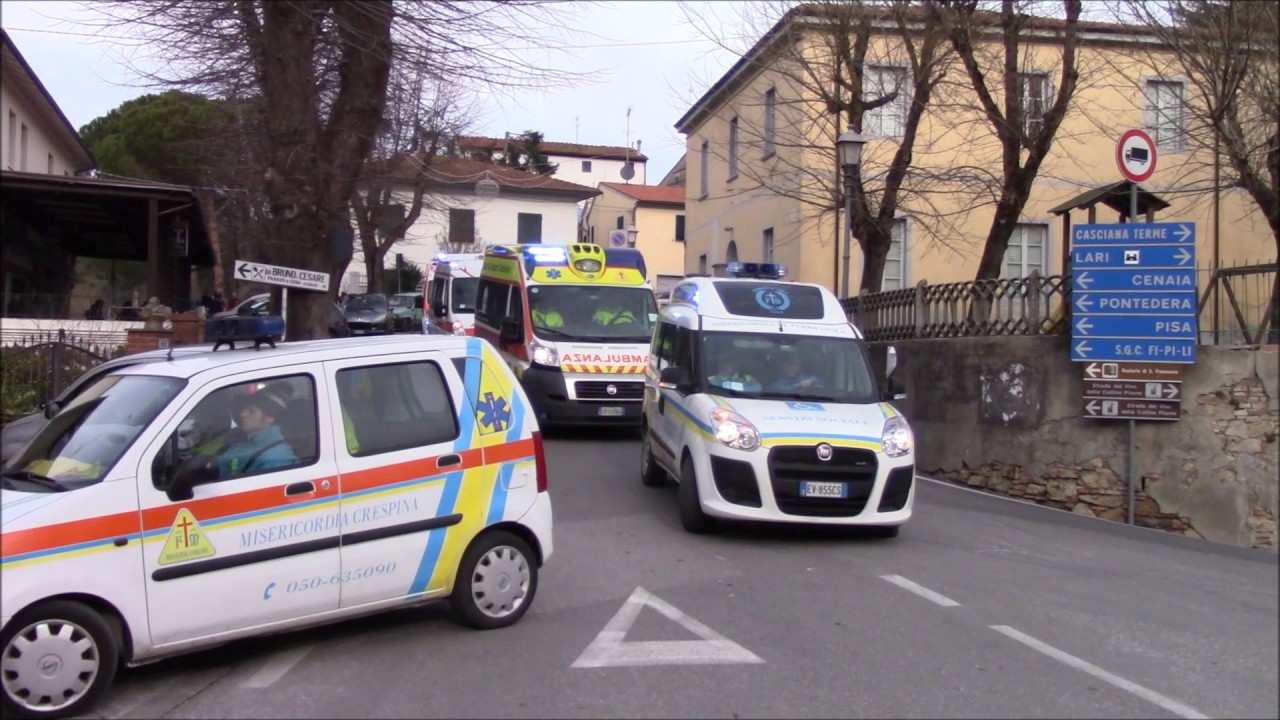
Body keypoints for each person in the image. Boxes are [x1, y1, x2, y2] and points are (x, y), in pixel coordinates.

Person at [215, 383, 298, 478]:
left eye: (251, 411)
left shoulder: (275, 458)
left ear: (269, 418)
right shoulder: (244, 439)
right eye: (245, 409)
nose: (243, 414)